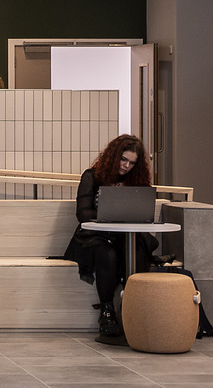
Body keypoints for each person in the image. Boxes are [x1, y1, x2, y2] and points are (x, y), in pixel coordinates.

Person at [67, 134, 162, 340]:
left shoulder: (136, 182)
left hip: (125, 237)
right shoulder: (92, 176)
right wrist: (109, 215)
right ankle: (107, 312)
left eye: (131, 163)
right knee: (107, 254)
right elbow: (82, 213)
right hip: (94, 236)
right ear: (113, 156)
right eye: (123, 159)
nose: (126, 166)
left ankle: (134, 310)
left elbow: (143, 213)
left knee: (137, 250)